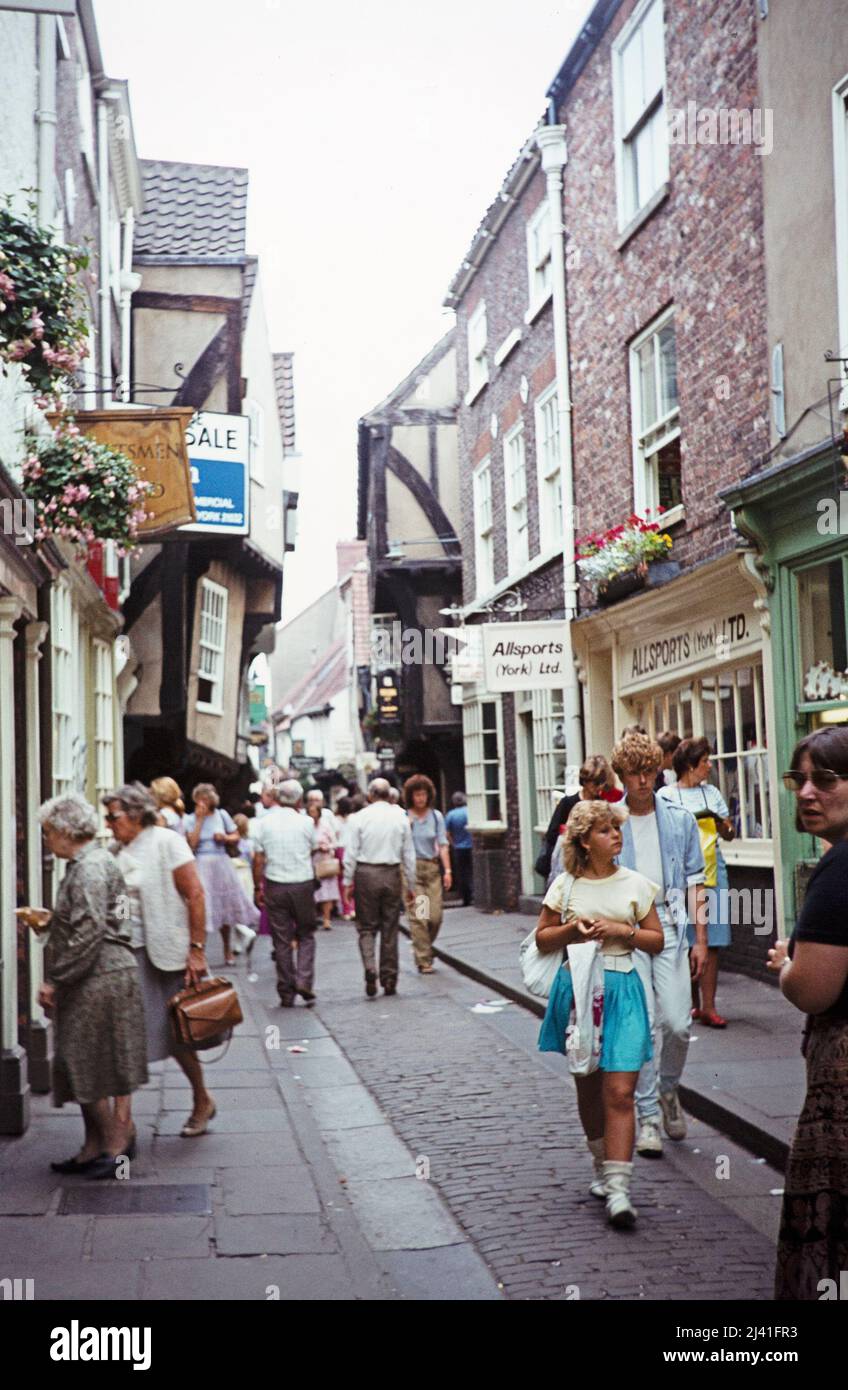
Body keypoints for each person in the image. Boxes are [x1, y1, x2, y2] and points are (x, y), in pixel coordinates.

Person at [537, 801, 663, 1228]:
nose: (616, 836)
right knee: (589, 1088)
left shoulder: (637, 885)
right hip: (580, 991)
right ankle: (601, 1166)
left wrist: (622, 931)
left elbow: (656, 941)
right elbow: (542, 939)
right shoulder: (565, 887)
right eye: (607, 830)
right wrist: (573, 930)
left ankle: (620, 1190)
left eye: (617, 829)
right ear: (586, 841)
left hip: (623, 988)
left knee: (621, 1091)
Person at [768, 727, 848, 1300]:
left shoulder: (840, 870)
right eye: (800, 780)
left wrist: (785, 965)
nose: (807, 793)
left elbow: (816, 988)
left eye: (826, 779)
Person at [37, 793, 148, 1178]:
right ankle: (94, 1146)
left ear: (67, 832)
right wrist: (53, 922)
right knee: (86, 1061)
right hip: (106, 972)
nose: (46, 839)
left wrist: (56, 978)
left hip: (100, 975)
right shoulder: (94, 861)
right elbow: (98, 918)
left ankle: (117, 1145)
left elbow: (90, 931)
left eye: (48, 831)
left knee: (86, 1061)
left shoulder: (88, 869)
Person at [610, 729, 707, 1158]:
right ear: (622, 775)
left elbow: (695, 883)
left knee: (678, 1023)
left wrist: (700, 940)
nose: (644, 781)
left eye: (650, 771)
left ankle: (668, 1090)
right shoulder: (610, 822)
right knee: (644, 1024)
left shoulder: (679, 820)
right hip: (627, 934)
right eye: (634, 773)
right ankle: (648, 1117)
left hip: (669, 928)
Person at [104, 783, 217, 1139]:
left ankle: (202, 1098)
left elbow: (194, 894)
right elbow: (123, 903)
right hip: (127, 953)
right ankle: (123, 1124)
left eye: (113, 816)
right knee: (125, 1035)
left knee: (178, 1034)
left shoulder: (166, 842)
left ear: (136, 814)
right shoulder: (115, 850)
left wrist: (197, 949)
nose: (108, 823)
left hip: (166, 951)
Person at [659, 736, 734, 1027]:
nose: (709, 767)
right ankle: (691, 1004)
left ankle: (709, 1006)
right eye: (704, 762)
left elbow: (729, 833)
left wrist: (720, 823)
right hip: (680, 875)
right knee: (685, 936)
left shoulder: (712, 793)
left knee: (712, 938)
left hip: (712, 868)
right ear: (690, 766)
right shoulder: (666, 795)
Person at [344, 777, 417, 997]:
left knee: (366, 928)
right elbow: (409, 854)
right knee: (390, 927)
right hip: (391, 873)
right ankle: (389, 978)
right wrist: (411, 885)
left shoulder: (358, 818)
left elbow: (350, 854)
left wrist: (348, 881)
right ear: (389, 795)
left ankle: (370, 967)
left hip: (366, 873)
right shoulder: (401, 817)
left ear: (370, 795)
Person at [252, 779, 319, 1006]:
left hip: (275, 884)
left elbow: (259, 859)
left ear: (278, 798)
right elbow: (312, 848)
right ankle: (304, 980)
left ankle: (286, 991)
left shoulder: (263, 823)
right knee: (306, 934)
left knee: (281, 940)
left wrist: (256, 887)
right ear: (299, 800)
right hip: (302, 884)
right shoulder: (307, 822)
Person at [184, 782, 259, 966]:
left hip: (221, 861)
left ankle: (228, 948)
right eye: (199, 799)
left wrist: (225, 838)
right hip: (202, 862)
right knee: (203, 907)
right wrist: (200, 821)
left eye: (206, 799)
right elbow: (191, 844)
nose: (202, 802)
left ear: (211, 800)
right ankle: (200, 951)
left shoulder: (222, 815)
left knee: (225, 907)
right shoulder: (190, 819)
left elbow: (236, 835)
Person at [536, 754, 622, 883]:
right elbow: (552, 833)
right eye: (595, 782)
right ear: (585, 781)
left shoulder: (602, 804)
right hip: (569, 864)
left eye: (601, 782)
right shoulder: (568, 803)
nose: (599, 787)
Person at [403, 774, 451, 974]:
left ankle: (423, 948)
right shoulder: (405, 817)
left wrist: (447, 870)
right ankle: (424, 959)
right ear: (410, 796)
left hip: (431, 870)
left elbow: (442, 845)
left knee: (435, 917)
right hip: (413, 871)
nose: (420, 798)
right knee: (420, 918)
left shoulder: (435, 816)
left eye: (423, 794)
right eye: (416, 795)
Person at [308, 793, 341, 930]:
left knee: (326, 891)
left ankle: (327, 919)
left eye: (314, 812)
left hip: (325, 861)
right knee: (312, 891)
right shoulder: (306, 826)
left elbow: (335, 843)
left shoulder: (326, 826)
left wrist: (326, 847)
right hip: (311, 861)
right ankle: (313, 918)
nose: (312, 815)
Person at [230, 813, 259, 959]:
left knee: (232, 909)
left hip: (234, 873)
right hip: (246, 873)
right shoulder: (249, 844)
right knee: (243, 907)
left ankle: (247, 933)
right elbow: (253, 860)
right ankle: (237, 944)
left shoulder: (230, 843)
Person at [446, 791, 473, 907]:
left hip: (459, 847)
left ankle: (465, 898)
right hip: (471, 846)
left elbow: (447, 833)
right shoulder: (470, 812)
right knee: (472, 871)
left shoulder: (450, 815)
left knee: (462, 873)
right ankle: (474, 894)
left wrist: (453, 843)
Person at [334, 796, 356, 920]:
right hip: (352, 850)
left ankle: (346, 909)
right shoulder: (354, 818)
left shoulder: (336, 820)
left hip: (340, 850)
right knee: (353, 880)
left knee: (342, 882)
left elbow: (334, 835)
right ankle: (354, 908)